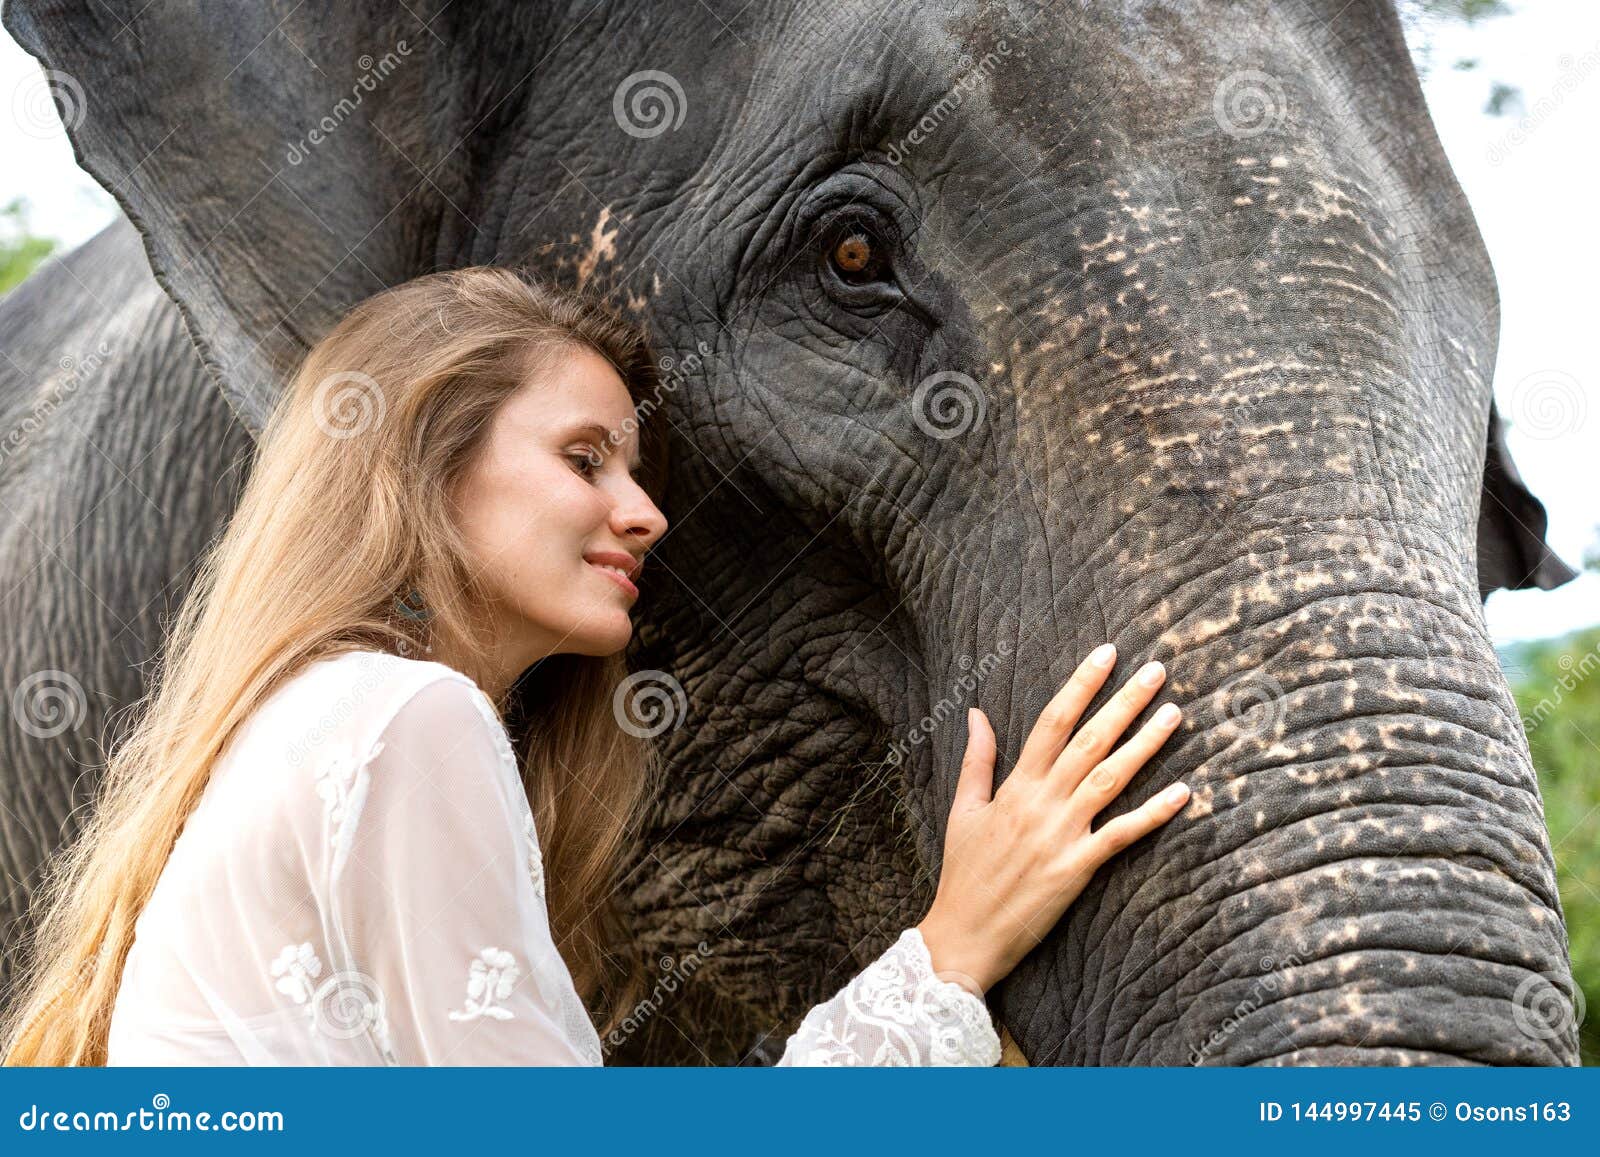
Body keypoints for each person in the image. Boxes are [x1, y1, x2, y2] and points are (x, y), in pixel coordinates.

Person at [0, 268, 1190, 1066]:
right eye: (586, 460)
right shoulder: (405, 719)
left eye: (639, 474)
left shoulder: (309, 720)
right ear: (426, 462)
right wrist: (951, 952)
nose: (645, 515)